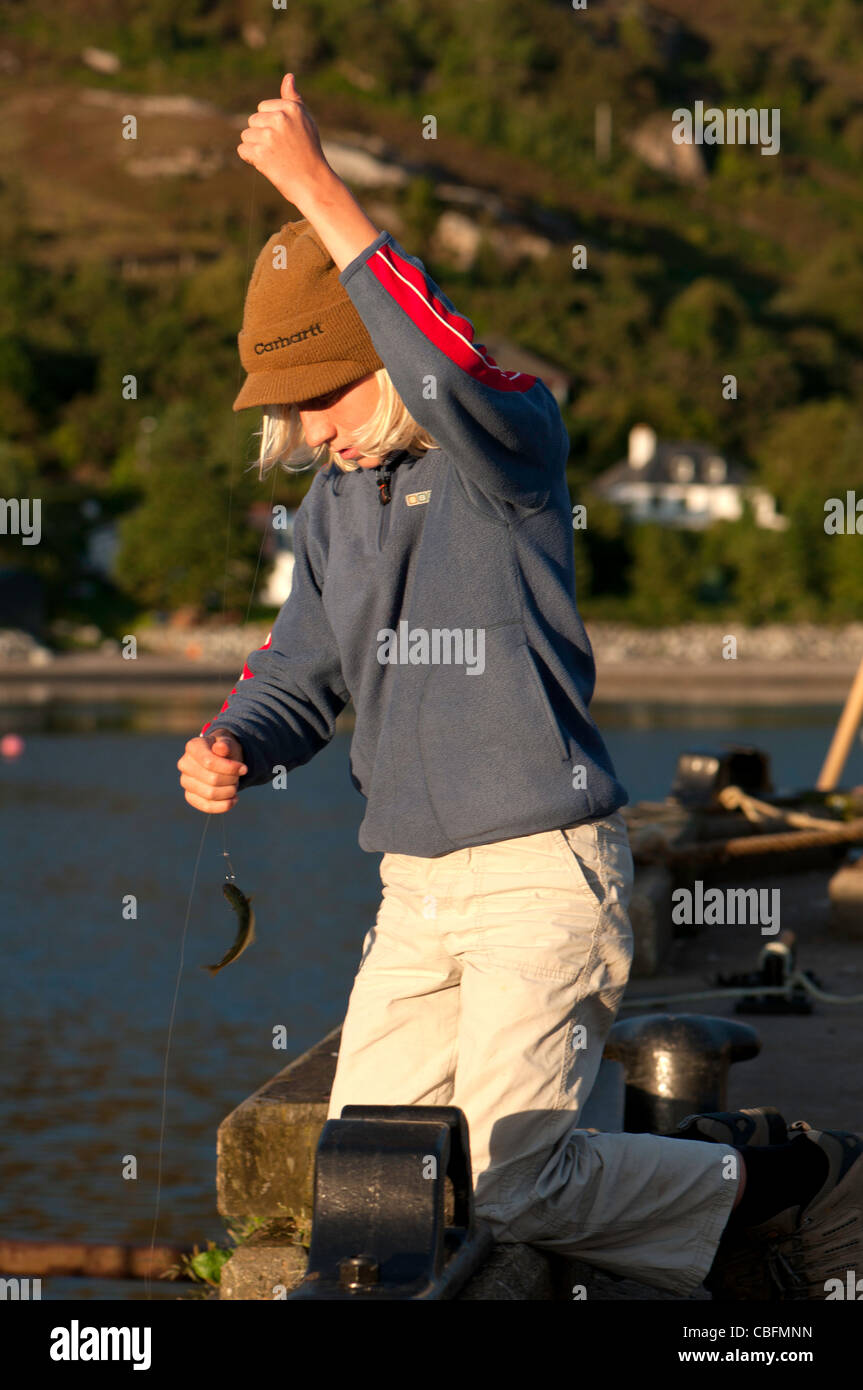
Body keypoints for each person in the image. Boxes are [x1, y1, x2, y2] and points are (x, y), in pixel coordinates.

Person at [177, 73, 863, 1300]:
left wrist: (316, 187)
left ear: (379, 364)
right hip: (414, 892)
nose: (309, 427)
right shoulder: (332, 510)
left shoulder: (509, 444)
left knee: (510, 1186)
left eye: (322, 392)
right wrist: (235, 739)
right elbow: (297, 674)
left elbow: (442, 360)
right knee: (363, 1183)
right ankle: (709, 1216)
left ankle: (785, 1181)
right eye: (287, 409)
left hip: (543, 877)